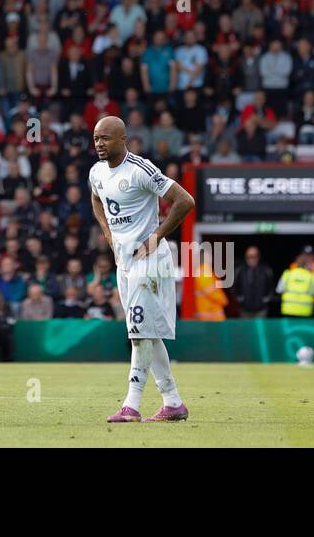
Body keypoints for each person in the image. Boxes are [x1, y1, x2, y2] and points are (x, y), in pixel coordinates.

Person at [90, 115, 196, 422]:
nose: (99, 143)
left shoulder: (140, 169)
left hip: (149, 261)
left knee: (138, 334)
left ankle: (131, 405)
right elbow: (96, 199)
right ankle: (173, 402)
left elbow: (184, 200)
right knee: (146, 332)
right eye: (96, 138)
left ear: (123, 140)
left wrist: (156, 236)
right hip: (124, 260)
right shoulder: (97, 172)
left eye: (106, 138)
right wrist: (108, 233)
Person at [277, 246, 314, 317]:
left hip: (288, 312)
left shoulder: (287, 274)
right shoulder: (313, 277)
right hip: (306, 312)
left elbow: (279, 290)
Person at [235, 245, 275, 318]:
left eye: (254, 256)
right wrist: (239, 298)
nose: (252, 259)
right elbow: (235, 286)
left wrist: (266, 299)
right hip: (244, 309)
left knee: (259, 328)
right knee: (246, 328)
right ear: (245, 257)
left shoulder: (266, 270)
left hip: (261, 309)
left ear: (258, 256)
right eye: (249, 257)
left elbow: (271, 286)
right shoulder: (240, 270)